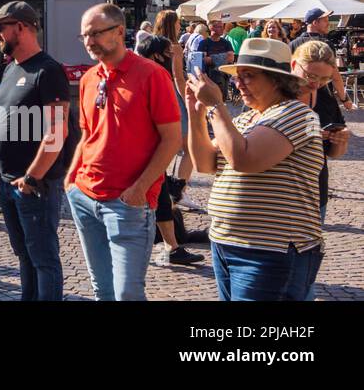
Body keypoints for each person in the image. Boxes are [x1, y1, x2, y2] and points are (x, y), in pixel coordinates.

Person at [186, 37, 324, 301]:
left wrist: (216, 106)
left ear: (276, 79)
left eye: (248, 76)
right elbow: (204, 162)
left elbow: (244, 160)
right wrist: (196, 114)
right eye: (238, 76)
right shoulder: (246, 117)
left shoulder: (299, 114)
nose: (238, 83)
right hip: (227, 243)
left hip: (272, 249)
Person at [64, 4, 181, 301]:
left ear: (119, 31)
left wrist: (140, 188)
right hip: (84, 195)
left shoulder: (152, 75)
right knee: (102, 289)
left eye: (95, 34)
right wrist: (72, 179)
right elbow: (87, 133)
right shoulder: (90, 78)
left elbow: (171, 139)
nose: (89, 41)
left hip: (128, 202)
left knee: (127, 293)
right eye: (84, 36)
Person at [0, 1, 70, 301]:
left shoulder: (48, 71)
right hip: (9, 183)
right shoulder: (11, 69)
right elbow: (0, 121)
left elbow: (57, 130)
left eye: (0, 27)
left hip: (34, 186)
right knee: (24, 255)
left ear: (21, 27)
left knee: (43, 258)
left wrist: (31, 178)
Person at [134, 35, 204, 267]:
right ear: (156, 55)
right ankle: (162, 247)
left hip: (146, 147)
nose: (173, 56)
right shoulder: (155, 74)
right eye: (169, 53)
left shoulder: (137, 72)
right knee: (153, 198)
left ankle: (172, 247)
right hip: (146, 149)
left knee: (161, 197)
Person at [290, 41, 351, 223]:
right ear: (294, 65)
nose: (316, 84)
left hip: (316, 192)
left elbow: (332, 153)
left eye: (325, 79)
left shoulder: (325, 95)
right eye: (310, 76)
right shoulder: (272, 95)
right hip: (282, 195)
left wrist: (340, 140)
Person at [151, 9, 200, 209]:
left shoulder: (151, 44)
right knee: (189, 148)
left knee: (162, 146)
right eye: (179, 23)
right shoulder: (174, 47)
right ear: (173, 24)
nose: (180, 26)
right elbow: (178, 78)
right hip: (172, 96)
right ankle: (178, 191)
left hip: (154, 95)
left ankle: (162, 188)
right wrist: (189, 102)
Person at [288, 8, 355, 110]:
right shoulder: (326, 45)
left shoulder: (292, 44)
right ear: (315, 22)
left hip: (299, 101)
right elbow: (335, 76)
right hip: (324, 103)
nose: (328, 24)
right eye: (325, 21)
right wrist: (345, 100)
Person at [194, 19, 235, 90]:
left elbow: (231, 58)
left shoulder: (226, 42)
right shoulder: (204, 43)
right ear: (211, 28)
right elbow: (203, 60)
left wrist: (212, 58)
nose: (222, 29)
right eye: (219, 27)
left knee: (222, 99)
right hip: (209, 79)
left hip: (224, 78)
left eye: (223, 26)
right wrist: (224, 57)